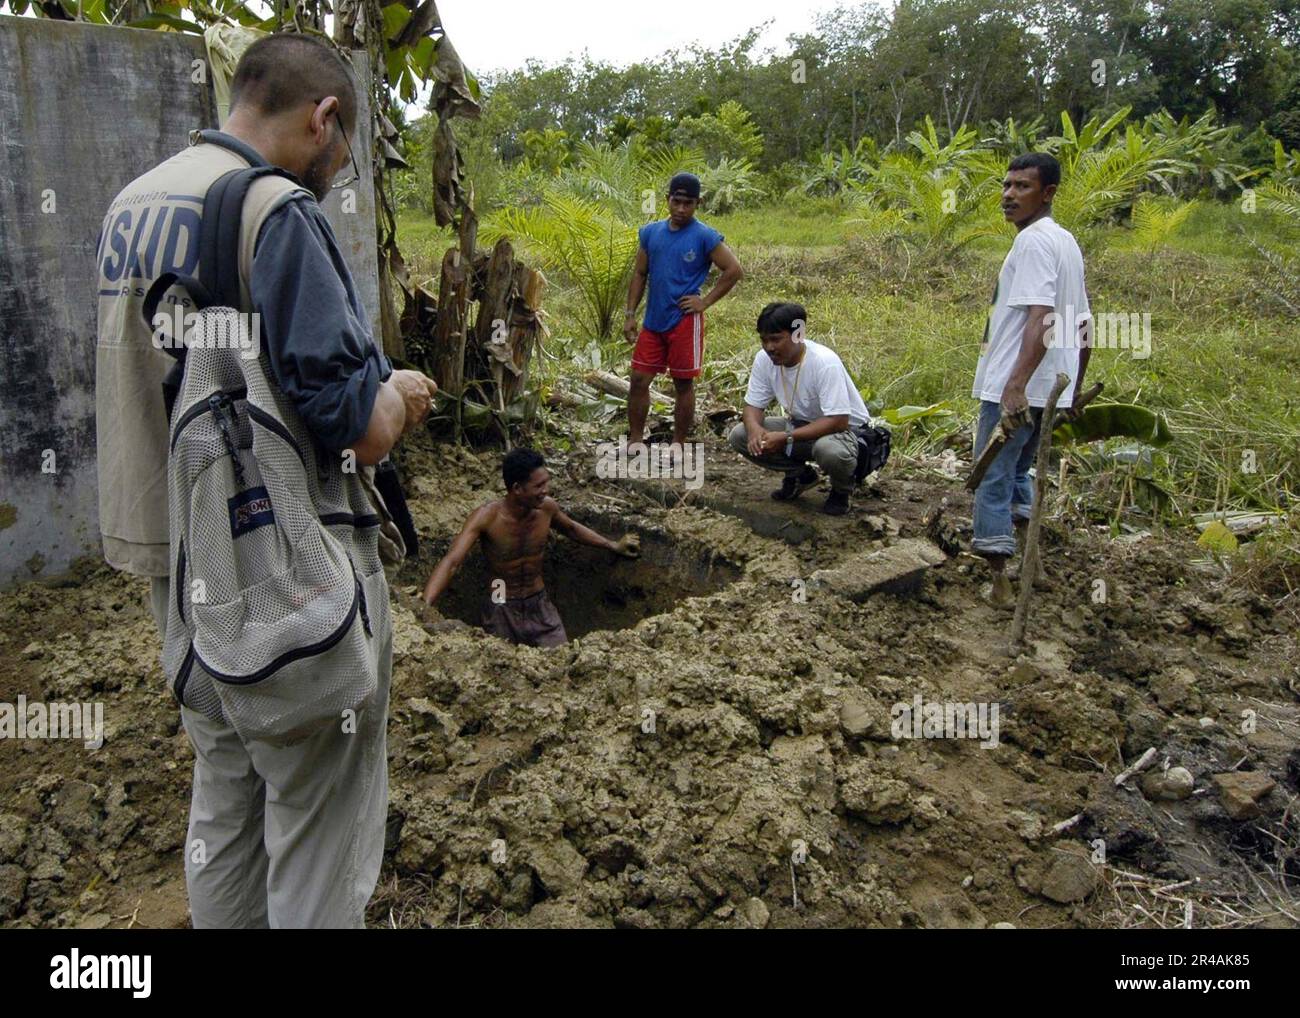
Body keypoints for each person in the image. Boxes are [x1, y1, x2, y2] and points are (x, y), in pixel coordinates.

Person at [94, 33, 439, 928]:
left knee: (227, 797)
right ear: (325, 118)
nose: (337, 168)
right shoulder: (275, 212)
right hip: (281, 565)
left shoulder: (133, 203)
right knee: (319, 819)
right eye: (345, 144)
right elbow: (357, 430)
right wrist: (395, 393)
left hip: (176, 567)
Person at [971, 151, 1091, 606]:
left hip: (1015, 385)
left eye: (1022, 187)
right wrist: (1074, 385)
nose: (1008, 195)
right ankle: (1030, 564)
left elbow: (1042, 315)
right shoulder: (1065, 241)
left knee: (992, 476)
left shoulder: (1034, 242)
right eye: (1006, 185)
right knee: (1021, 472)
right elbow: (1083, 322)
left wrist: (1015, 384)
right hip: (1051, 387)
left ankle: (1000, 580)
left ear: (1048, 193)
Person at [423, 448, 640, 646]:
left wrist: (612, 545)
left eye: (546, 482)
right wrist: (425, 604)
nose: (546, 490)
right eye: (538, 486)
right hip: (500, 602)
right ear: (517, 488)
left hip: (538, 601)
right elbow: (452, 562)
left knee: (561, 659)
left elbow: (572, 529)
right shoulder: (486, 517)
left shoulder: (546, 509)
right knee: (500, 669)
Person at [624, 172, 743, 450]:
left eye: (688, 203)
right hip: (653, 321)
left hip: (684, 321)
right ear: (667, 200)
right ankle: (635, 439)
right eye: (676, 202)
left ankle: (678, 443)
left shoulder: (705, 236)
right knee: (639, 380)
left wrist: (705, 301)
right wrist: (630, 315)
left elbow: (734, 270)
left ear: (697, 203)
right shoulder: (651, 232)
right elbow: (640, 273)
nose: (681, 209)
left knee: (682, 383)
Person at [728, 302, 874, 516]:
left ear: (798, 335)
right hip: (801, 427)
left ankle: (842, 490)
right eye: (764, 340)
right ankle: (800, 476)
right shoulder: (765, 360)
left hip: (845, 434)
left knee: (830, 452)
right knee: (740, 434)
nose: (769, 347)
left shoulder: (824, 362)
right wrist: (754, 429)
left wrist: (786, 437)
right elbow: (753, 406)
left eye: (776, 339)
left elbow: (838, 420)